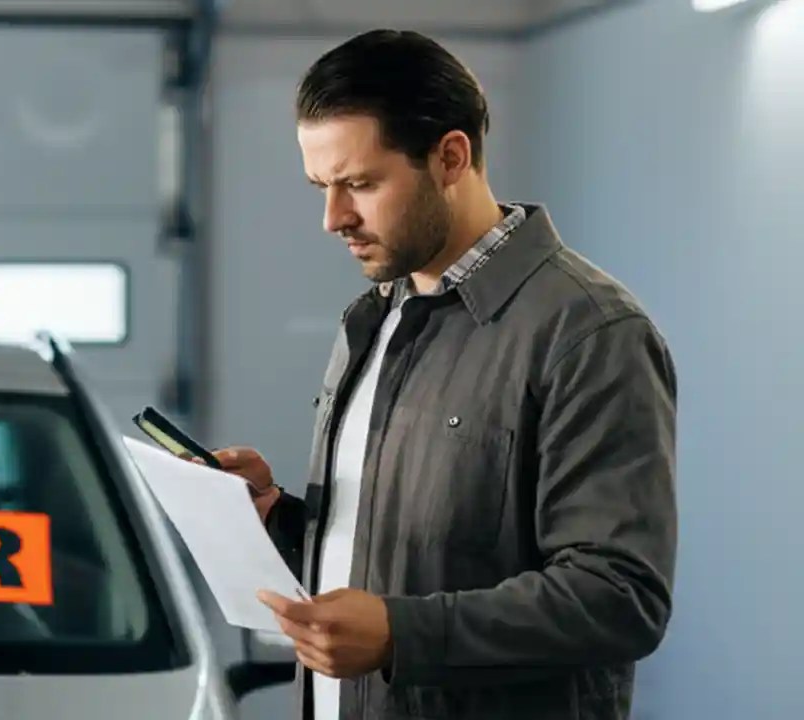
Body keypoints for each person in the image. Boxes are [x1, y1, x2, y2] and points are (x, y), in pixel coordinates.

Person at [211, 29, 679, 720]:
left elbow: (620, 596)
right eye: (322, 187)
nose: (332, 218)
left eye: (360, 184)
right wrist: (280, 521)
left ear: (451, 156)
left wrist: (404, 633)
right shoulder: (373, 318)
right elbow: (412, 547)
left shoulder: (589, 333)